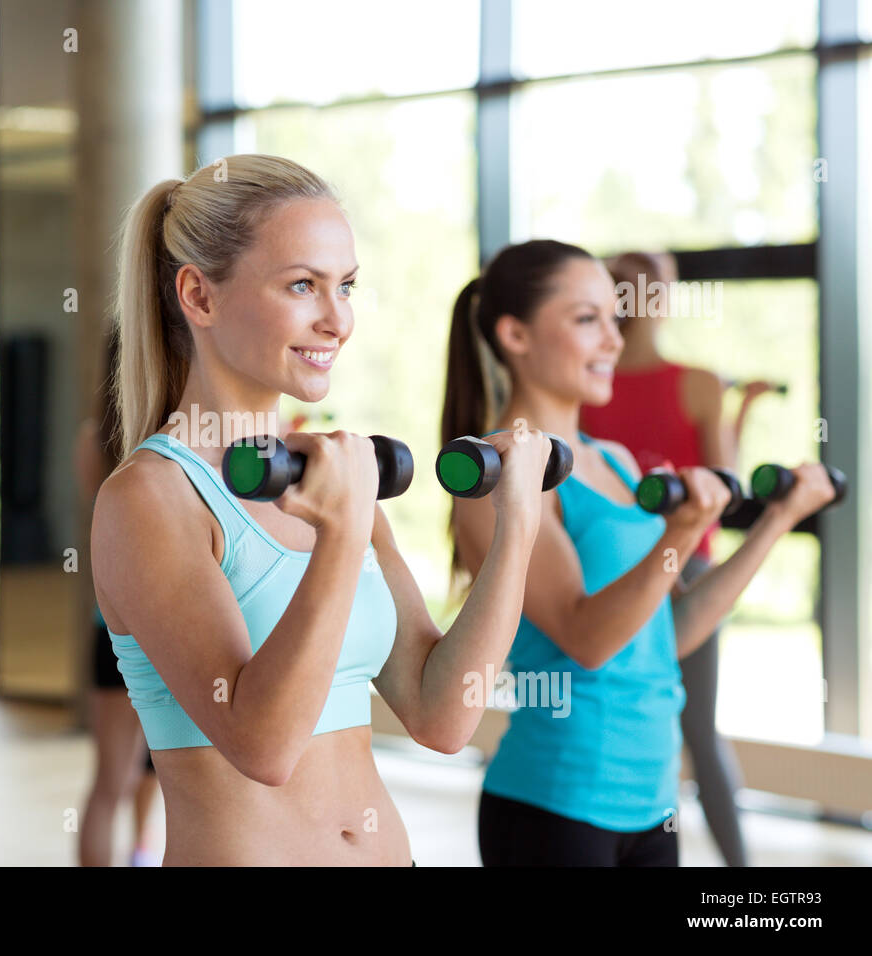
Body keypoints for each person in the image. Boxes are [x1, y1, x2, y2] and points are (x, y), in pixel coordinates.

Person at [91, 153, 554, 866]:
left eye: (346, 286)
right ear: (200, 296)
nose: (337, 320)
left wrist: (517, 525)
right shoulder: (150, 498)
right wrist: (340, 532)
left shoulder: (334, 471)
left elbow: (443, 714)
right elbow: (263, 745)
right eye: (303, 285)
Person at [443, 239, 836, 866]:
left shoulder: (618, 462)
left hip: (653, 803)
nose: (615, 340)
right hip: (556, 804)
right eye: (586, 319)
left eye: (613, 317)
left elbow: (669, 631)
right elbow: (587, 638)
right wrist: (680, 534)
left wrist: (778, 519)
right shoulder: (496, 474)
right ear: (515, 334)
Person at [579, 250, 773, 867]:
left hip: (607, 567)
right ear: (659, 299)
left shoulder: (585, 383)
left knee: (624, 726)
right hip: (682, 565)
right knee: (698, 731)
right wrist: (743, 410)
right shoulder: (698, 383)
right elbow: (726, 488)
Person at [76, 334, 161, 867]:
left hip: (113, 624)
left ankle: (139, 854)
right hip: (141, 629)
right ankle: (137, 852)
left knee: (117, 777)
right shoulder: (167, 438)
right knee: (133, 774)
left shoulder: (94, 438)